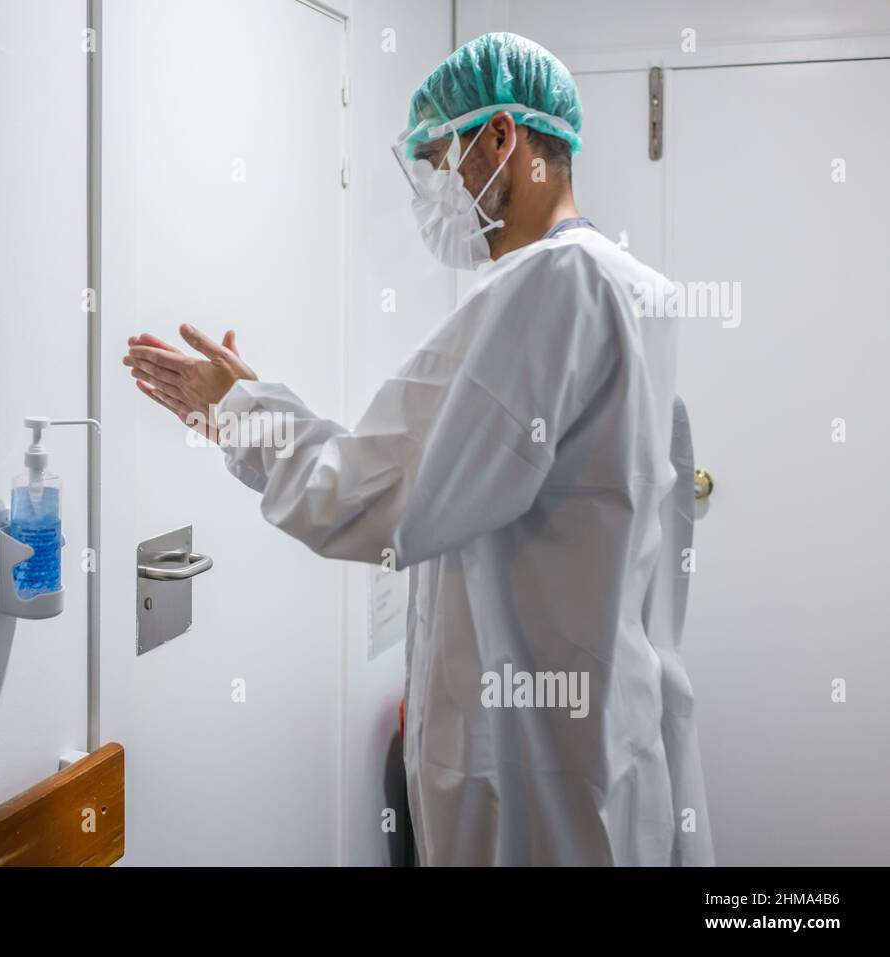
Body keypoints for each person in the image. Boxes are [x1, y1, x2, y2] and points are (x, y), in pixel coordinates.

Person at [123, 32, 713, 866]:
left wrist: (238, 415)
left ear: (500, 139)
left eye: (437, 157)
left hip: (536, 776)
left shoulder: (544, 287)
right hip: (611, 736)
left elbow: (375, 497)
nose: (433, 188)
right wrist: (248, 406)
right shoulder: (632, 288)